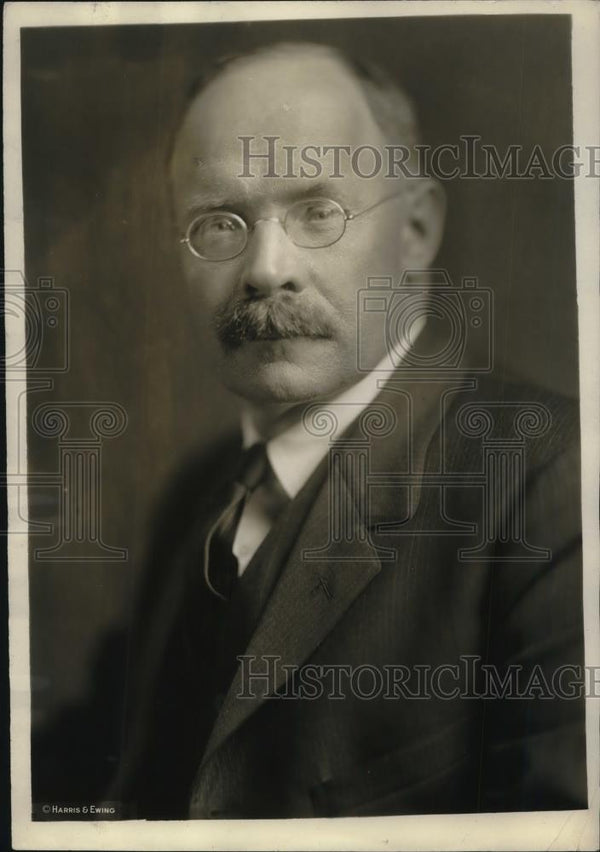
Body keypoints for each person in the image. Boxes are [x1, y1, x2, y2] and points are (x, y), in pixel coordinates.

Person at [110, 41, 587, 819]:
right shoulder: (196, 498)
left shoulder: (553, 483)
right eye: (218, 222)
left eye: (318, 211)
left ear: (418, 230)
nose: (267, 267)